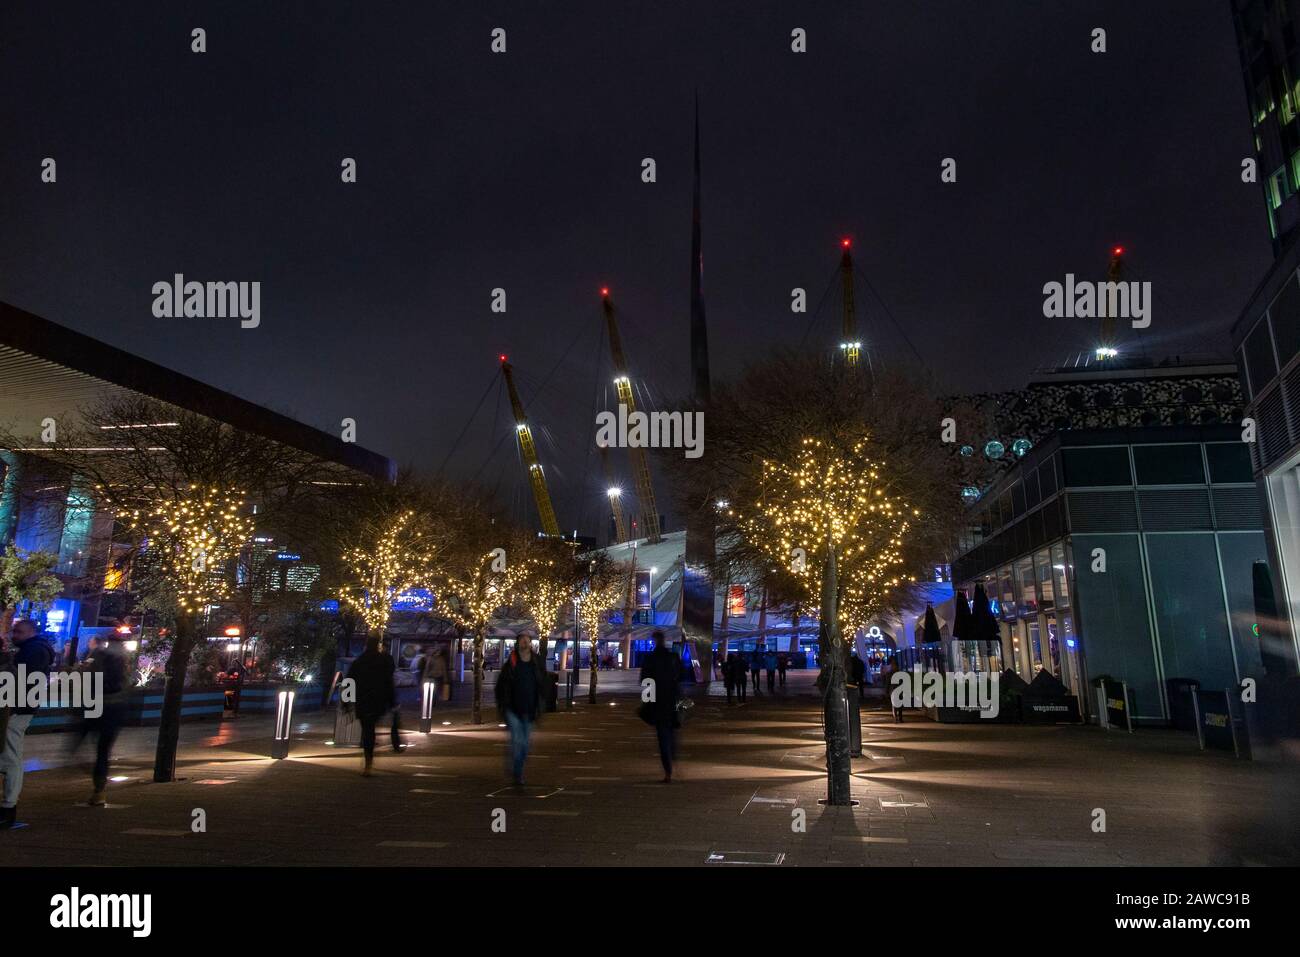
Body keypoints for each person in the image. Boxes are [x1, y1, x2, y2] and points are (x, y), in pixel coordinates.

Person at [1, 620, 54, 828]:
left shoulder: (33, 652)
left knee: (11, 756)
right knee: (10, 755)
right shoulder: (34, 650)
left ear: (31, 632)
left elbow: (21, 682)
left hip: (17, 710)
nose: (15, 635)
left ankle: (8, 807)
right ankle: (8, 806)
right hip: (19, 709)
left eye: (18, 631)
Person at [76, 632, 130, 806]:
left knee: (80, 743)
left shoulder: (100, 655)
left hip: (96, 707)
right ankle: (99, 790)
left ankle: (95, 780)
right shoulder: (123, 661)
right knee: (103, 750)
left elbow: (85, 677)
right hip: (114, 710)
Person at [496, 634, 544, 785]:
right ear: (518, 644)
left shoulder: (536, 662)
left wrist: (541, 705)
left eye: (527, 641)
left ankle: (517, 767)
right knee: (517, 741)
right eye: (522, 641)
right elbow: (501, 685)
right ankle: (518, 774)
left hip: (530, 709)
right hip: (513, 709)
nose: (524, 643)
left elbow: (542, 684)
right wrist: (503, 705)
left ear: (530, 643)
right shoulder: (511, 662)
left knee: (525, 745)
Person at [346, 635, 396, 776]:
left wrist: (346, 702)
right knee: (371, 727)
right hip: (378, 700)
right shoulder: (383, 661)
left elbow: (349, 680)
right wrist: (392, 702)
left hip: (362, 700)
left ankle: (368, 761)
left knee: (367, 729)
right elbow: (388, 682)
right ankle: (369, 760)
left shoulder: (359, 661)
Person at [639, 630, 683, 782]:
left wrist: (647, 702)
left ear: (654, 641)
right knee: (671, 733)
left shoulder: (650, 659)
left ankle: (668, 770)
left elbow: (645, 682)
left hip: (658, 703)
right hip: (672, 702)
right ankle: (672, 757)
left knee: (663, 736)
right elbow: (679, 679)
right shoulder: (673, 658)